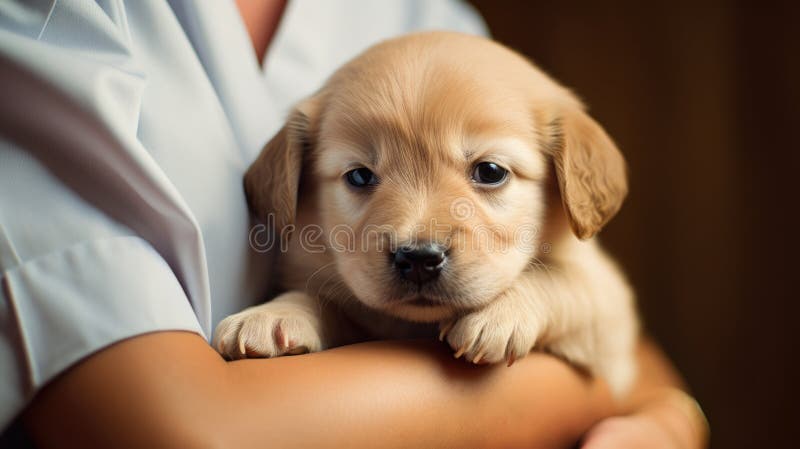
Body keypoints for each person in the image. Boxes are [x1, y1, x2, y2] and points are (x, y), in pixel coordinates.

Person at [0, 1, 708, 447]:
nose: (417, 240)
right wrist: (312, 308)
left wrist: (670, 416)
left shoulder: (428, 17)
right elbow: (177, 431)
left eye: (489, 172)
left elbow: (614, 332)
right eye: (361, 179)